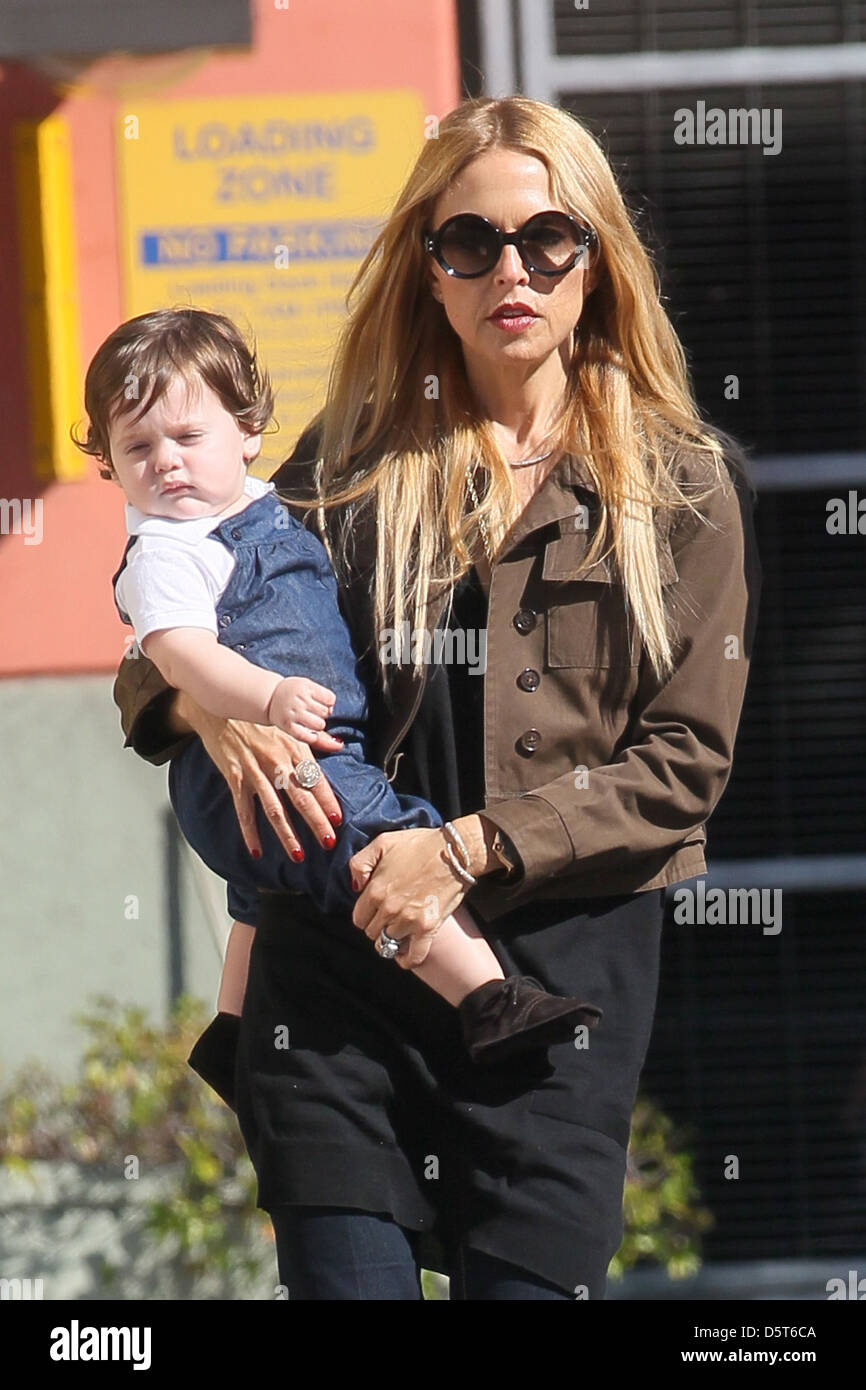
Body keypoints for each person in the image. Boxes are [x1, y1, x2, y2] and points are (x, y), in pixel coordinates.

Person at [112, 95, 762, 1300]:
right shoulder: (349, 460)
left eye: (544, 238)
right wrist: (203, 706)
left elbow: (682, 765)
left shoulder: (685, 488)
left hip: (554, 986)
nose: (508, 269)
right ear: (429, 267)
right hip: (342, 968)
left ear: (595, 258)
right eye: (469, 241)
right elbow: (173, 621)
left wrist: (463, 850)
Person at [75, 308, 601, 1096]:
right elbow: (176, 653)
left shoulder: (257, 503)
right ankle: (490, 997)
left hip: (292, 753)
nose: (167, 465)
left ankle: (234, 1031)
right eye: (138, 449)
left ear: (248, 431)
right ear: (109, 466)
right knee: (384, 845)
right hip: (275, 756)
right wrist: (264, 695)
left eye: (187, 438)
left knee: (257, 897)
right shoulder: (165, 552)